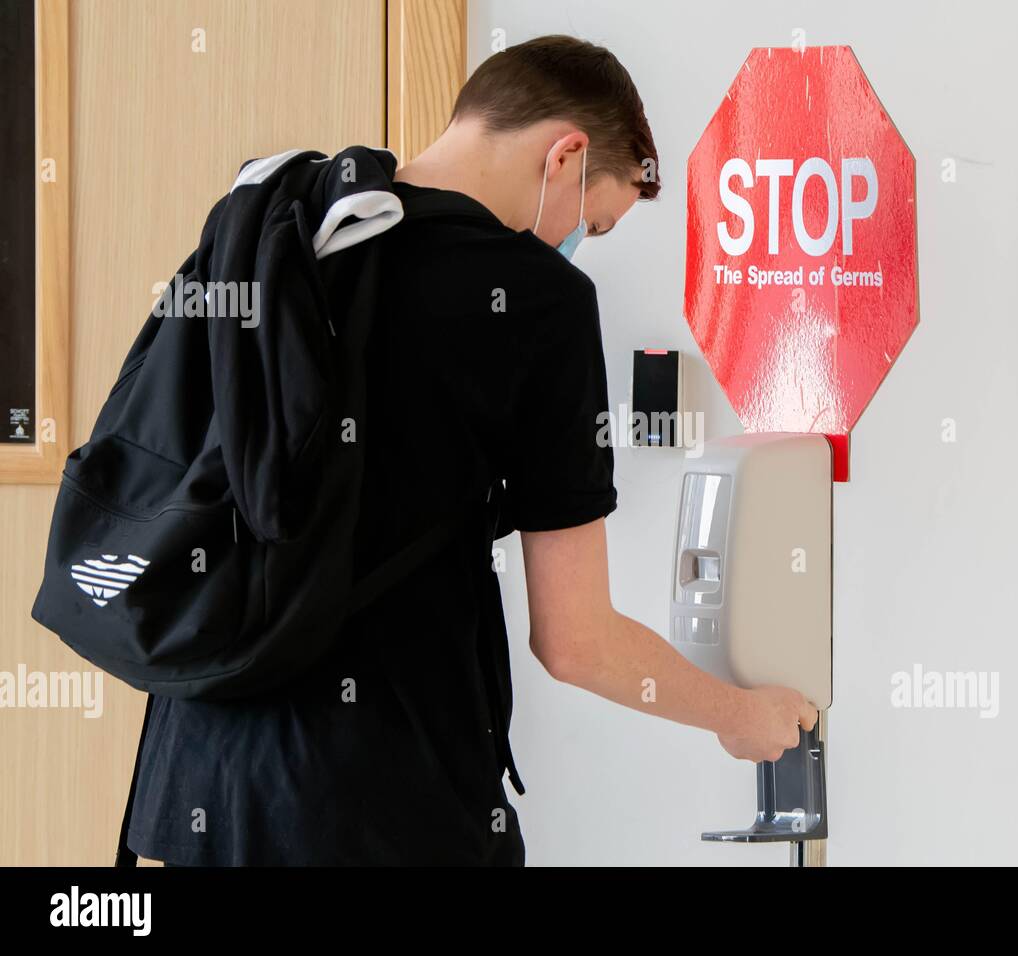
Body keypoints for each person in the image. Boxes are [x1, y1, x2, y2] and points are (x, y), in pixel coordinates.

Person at [129, 34, 816, 867]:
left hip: (196, 766)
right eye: (590, 222)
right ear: (565, 154)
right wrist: (742, 718)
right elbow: (575, 640)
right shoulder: (540, 300)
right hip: (381, 796)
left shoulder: (284, 218)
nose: (574, 242)